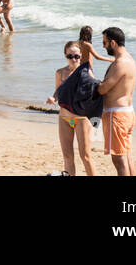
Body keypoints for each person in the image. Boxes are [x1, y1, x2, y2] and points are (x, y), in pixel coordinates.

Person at [45, 41, 95, 176]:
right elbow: (58, 91)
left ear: (81, 56)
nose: (73, 59)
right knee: (67, 156)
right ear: (65, 55)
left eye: (76, 56)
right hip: (64, 118)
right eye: (70, 56)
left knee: (85, 156)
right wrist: (53, 99)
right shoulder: (60, 72)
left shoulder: (86, 72)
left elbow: (94, 93)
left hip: (81, 119)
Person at [97, 26, 136, 176]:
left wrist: (93, 84)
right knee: (127, 157)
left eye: (104, 42)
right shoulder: (130, 60)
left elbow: (103, 89)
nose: (103, 46)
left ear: (113, 43)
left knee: (119, 160)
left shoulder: (120, 63)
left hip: (116, 115)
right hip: (128, 113)